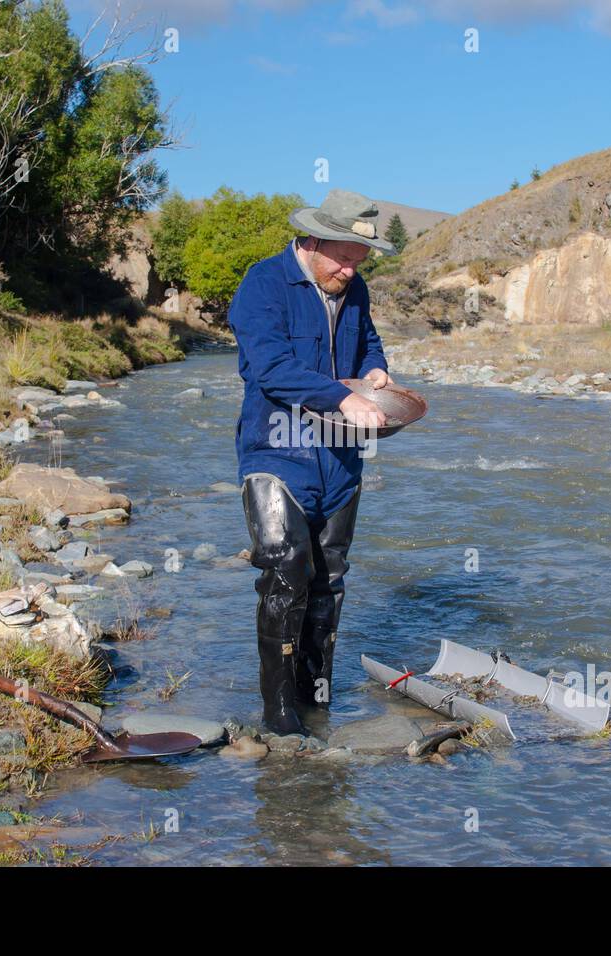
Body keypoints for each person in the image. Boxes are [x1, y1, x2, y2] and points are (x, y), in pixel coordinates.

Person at [227, 188, 395, 734]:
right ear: (312, 239)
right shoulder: (263, 284)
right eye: (343, 256)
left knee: (330, 579)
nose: (351, 269)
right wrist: (341, 397)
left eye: (359, 259)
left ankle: (315, 700)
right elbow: (269, 367)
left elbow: (368, 341)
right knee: (284, 567)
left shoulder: (356, 287)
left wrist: (374, 372)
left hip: (342, 458)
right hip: (276, 450)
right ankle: (277, 714)